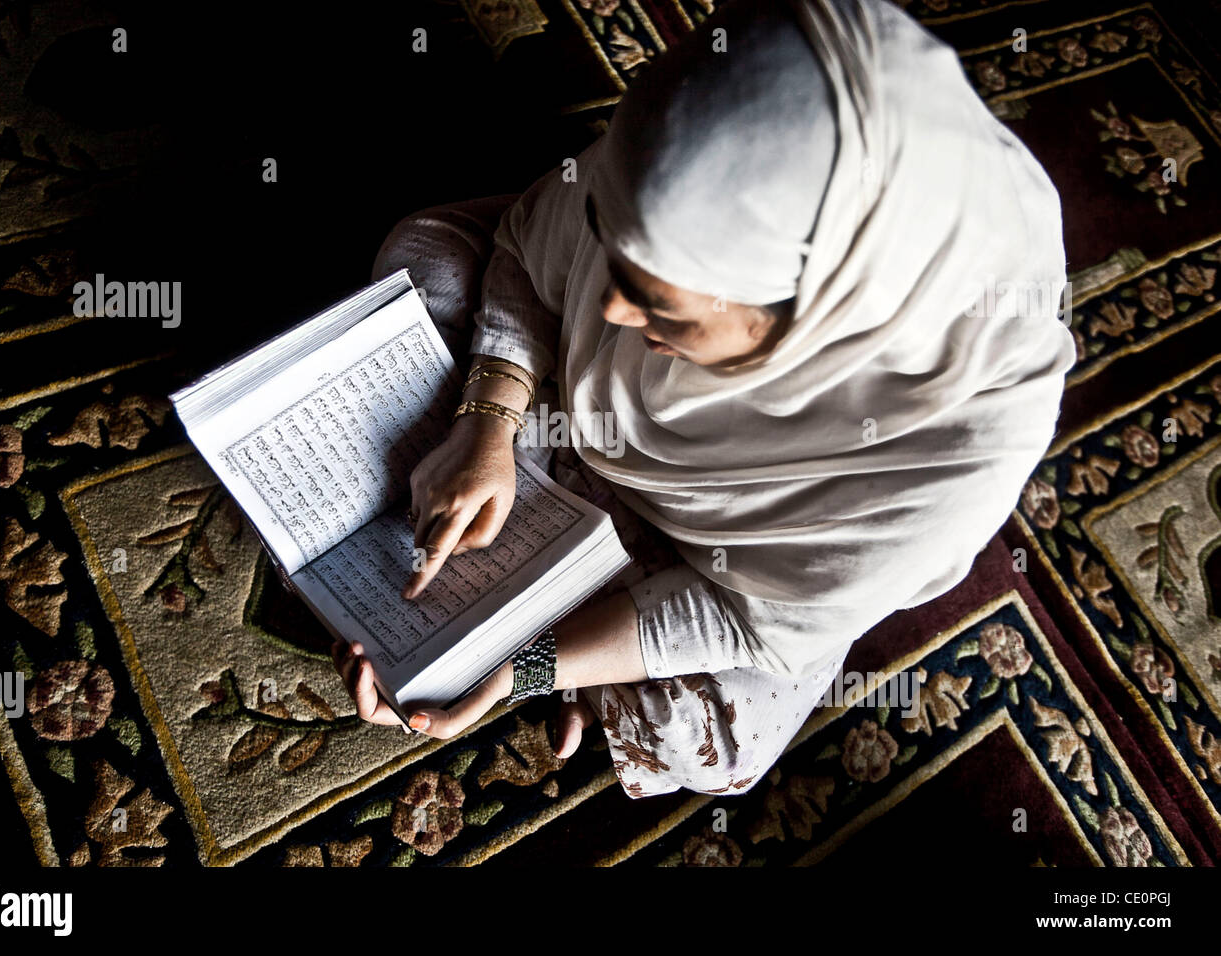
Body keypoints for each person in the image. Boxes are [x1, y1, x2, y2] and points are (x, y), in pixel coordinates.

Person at [331, 0, 1075, 799]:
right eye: (608, 241)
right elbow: (526, 252)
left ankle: (555, 566)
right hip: (549, 413)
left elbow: (736, 619)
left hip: (729, 571)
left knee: (706, 738)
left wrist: (522, 667)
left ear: (819, 319)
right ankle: (546, 532)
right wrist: (488, 421)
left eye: (663, 307)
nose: (611, 311)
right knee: (424, 261)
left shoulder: (952, 456)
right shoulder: (695, 156)